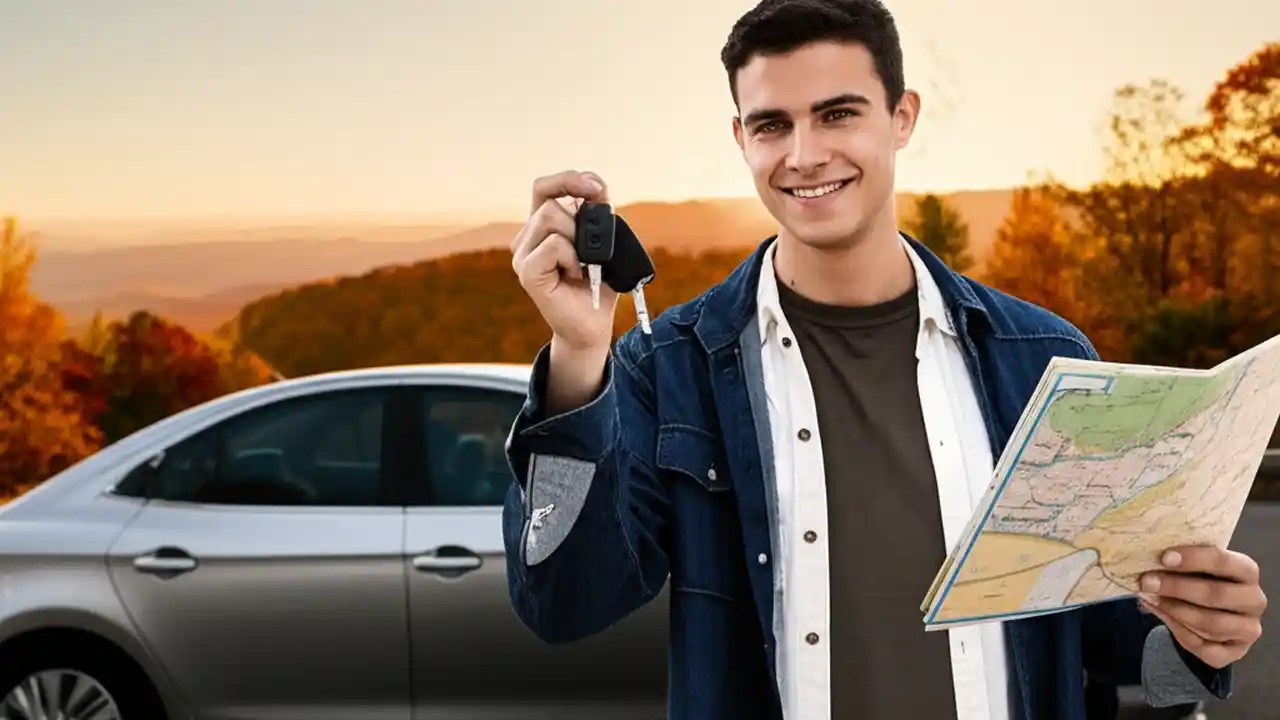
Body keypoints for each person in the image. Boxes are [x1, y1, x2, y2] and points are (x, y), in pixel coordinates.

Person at [502, 1, 1267, 718]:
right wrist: (577, 356)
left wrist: (1196, 641)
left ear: (902, 118)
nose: (804, 155)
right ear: (741, 138)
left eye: (837, 114)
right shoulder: (665, 371)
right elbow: (564, 604)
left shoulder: (1044, 360)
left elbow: (1112, 650)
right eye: (772, 125)